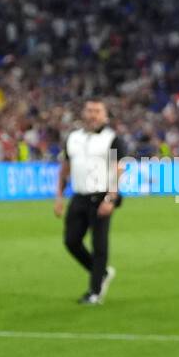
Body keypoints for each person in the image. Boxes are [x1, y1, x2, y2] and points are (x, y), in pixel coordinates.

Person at [55, 100, 126, 304]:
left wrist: (111, 198)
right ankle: (101, 273)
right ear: (83, 113)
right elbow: (64, 169)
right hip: (79, 196)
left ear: (105, 116)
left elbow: (118, 169)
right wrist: (59, 197)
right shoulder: (73, 138)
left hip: (101, 196)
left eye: (98, 111)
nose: (93, 115)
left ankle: (94, 292)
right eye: (90, 110)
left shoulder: (112, 139)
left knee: (99, 245)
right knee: (71, 241)